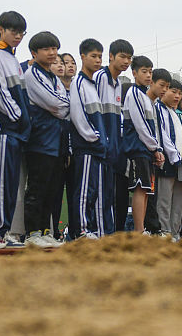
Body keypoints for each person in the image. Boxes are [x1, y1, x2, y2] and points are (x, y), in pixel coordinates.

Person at [0, 11, 30, 245]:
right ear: (1, 29)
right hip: (6, 129)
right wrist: (18, 118)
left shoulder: (12, 57)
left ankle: (5, 231)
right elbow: (0, 93)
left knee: (13, 183)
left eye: (21, 32)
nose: (18, 36)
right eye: (14, 31)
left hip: (17, 130)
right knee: (3, 183)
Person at [22, 31, 69, 247]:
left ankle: (46, 231)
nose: (52, 53)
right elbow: (56, 105)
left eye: (54, 49)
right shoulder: (33, 75)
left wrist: (62, 107)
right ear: (34, 53)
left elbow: (62, 105)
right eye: (47, 49)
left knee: (52, 189)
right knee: (37, 188)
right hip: (40, 140)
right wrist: (62, 107)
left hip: (56, 140)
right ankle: (32, 232)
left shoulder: (53, 77)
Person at [69, 39, 114, 238]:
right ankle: (81, 231)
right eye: (93, 56)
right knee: (85, 191)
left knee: (96, 192)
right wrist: (94, 138)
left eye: (100, 57)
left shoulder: (93, 85)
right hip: (86, 148)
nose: (97, 61)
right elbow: (78, 115)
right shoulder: (78, 82)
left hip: (97, 148)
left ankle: (95, 230)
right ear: (83, 57)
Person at [121, 56, 165, 234]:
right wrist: (155, 148)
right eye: (144, 72)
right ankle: (139, 230)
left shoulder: (146, 97)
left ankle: (142, 229)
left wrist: (156, 149)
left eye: (150, 72)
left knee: (146, 190)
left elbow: (152, 126)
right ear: (134, 73)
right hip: (137, 148)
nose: (148, 76)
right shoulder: (133, 94)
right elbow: (141, 126)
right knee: (140, 188)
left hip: (147, 150)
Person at [93, 38, 133, 234]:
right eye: (122, 57)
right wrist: (103, 140)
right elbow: (97, 111)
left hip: (115, 146)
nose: (126, 61)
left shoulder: (118, 84)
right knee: (100, 192)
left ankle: (110, 232)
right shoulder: (100, 77)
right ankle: (98, 232)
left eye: (129, 58)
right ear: (111, 56)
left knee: (111, 192)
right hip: (101, 144)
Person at [155, 78, 182, 239]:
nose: (177, 96)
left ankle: (175, 233)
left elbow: (180, 139)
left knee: (180, 201)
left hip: (180, 164)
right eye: (173, 92)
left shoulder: (175, 114)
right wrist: (175, 156)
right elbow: (164, 137)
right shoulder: (158, 109)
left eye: (179, 93)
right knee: (164, 200)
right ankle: (165, 232)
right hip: (166, 162)